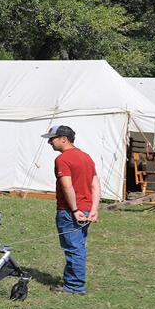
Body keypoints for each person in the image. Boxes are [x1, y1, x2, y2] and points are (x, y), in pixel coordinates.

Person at [42, 124, 98, 295]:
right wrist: (94, 209)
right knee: (79, 246)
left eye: (52, 139)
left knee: (74, 249)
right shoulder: (86, 157)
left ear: (63, 139)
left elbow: (67, 186)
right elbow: (95, 184)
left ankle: (74, 286)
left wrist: (74, 210)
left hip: (70, 211)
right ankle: (73, 283)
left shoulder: (62, 159)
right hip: (87, 209)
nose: (50, 142)